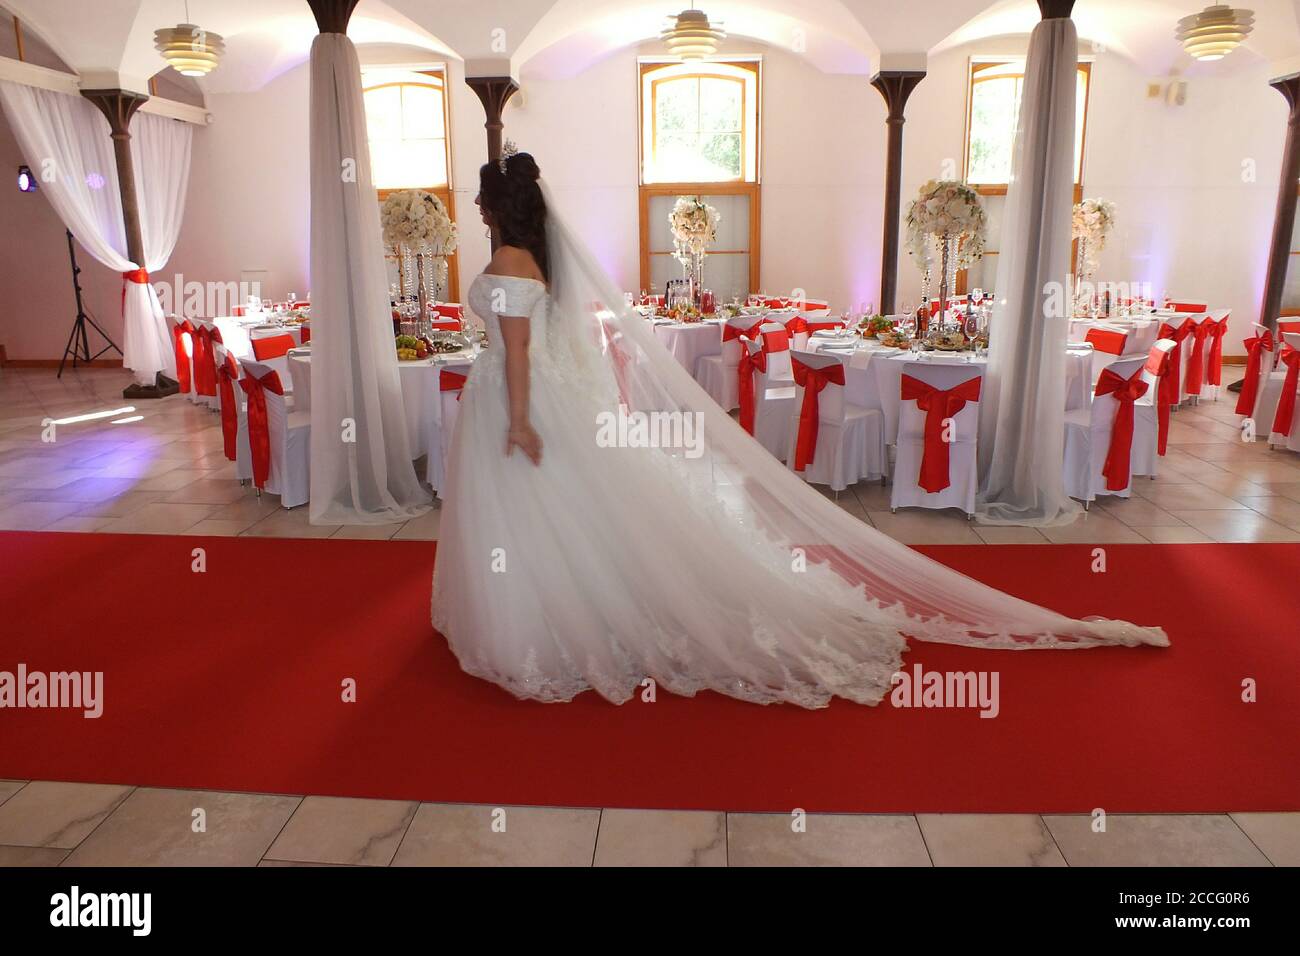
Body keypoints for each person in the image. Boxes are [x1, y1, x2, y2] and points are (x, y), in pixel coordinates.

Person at [431, 148, 1167, 709]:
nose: (471, 202)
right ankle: (568, 603)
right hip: (534, 396)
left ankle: (545, 618)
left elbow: (520, 352)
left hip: (518, 400)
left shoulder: (506, 258)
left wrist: (522, 421)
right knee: (566, 514)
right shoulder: (540, 260)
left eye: (478, 196)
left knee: (535, 513)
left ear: (497, 207)